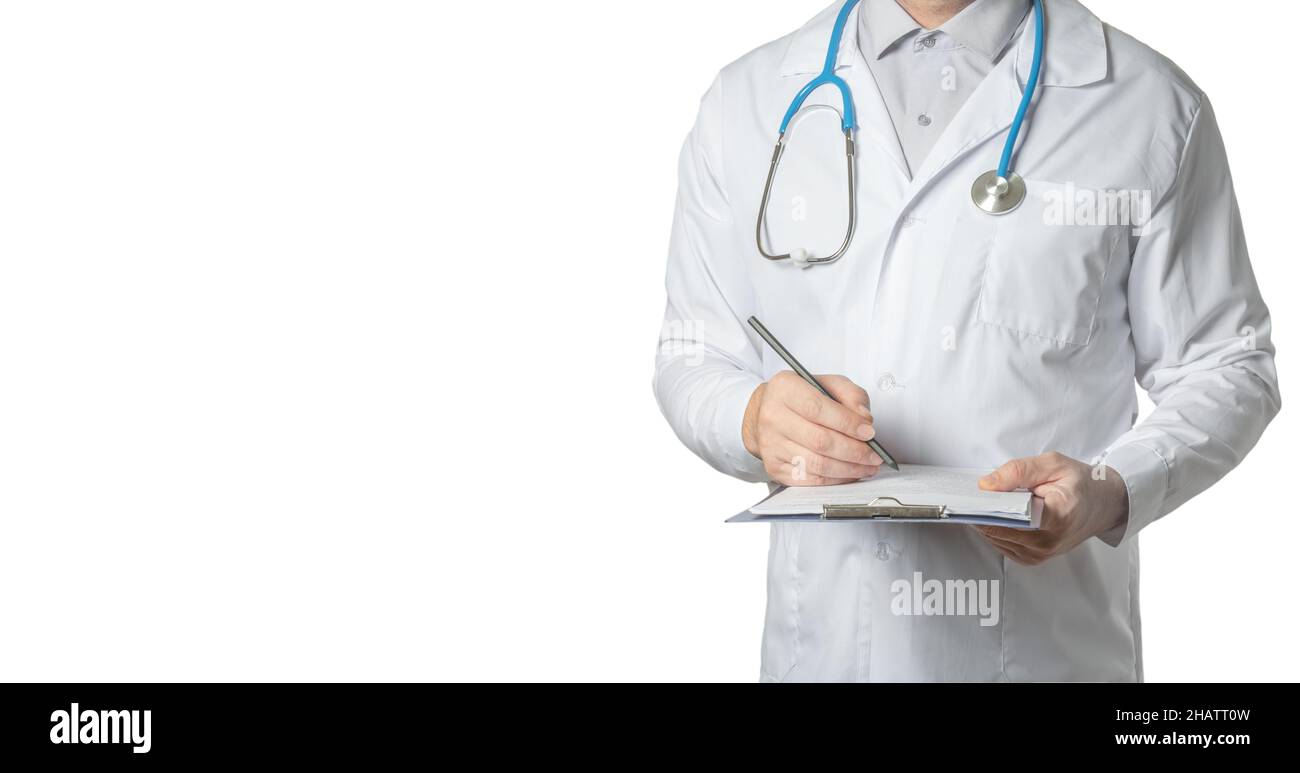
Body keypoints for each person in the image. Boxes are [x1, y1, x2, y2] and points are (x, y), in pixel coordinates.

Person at [653, 0, 1280, 681]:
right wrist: (751, 419)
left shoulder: (1149, 106)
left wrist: (1110, 488)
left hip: (1045, 657)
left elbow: (1230, 364)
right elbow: (694, 354)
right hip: (821, 656)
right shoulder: (745, 102)